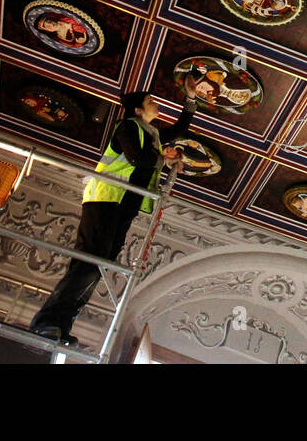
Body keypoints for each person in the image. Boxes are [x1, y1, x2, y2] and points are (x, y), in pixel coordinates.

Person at [30, 90, 194, 345]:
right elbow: (136, 158)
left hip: (122, 205)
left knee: (94, 267)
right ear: (137, 111)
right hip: (105, 199)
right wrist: (165, 158)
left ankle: (61, 326)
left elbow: (180, 128)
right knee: (89, 263)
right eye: (151, 102)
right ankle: (47, 322)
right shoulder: (127, 126)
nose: (157, 104)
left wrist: (191, 99)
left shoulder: (152, 135)